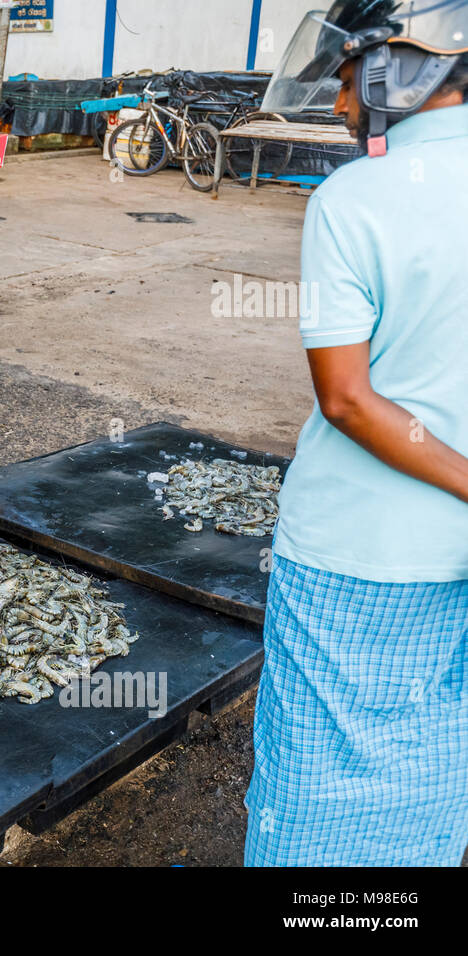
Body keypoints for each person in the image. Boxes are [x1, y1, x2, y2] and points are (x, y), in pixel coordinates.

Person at [245, 0, 468, 866]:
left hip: (358, 549)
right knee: (439, 743)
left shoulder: (352, 199)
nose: (340, 105)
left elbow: (346, 400)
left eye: (346, 81)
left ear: (398, 70)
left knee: (320, 779)